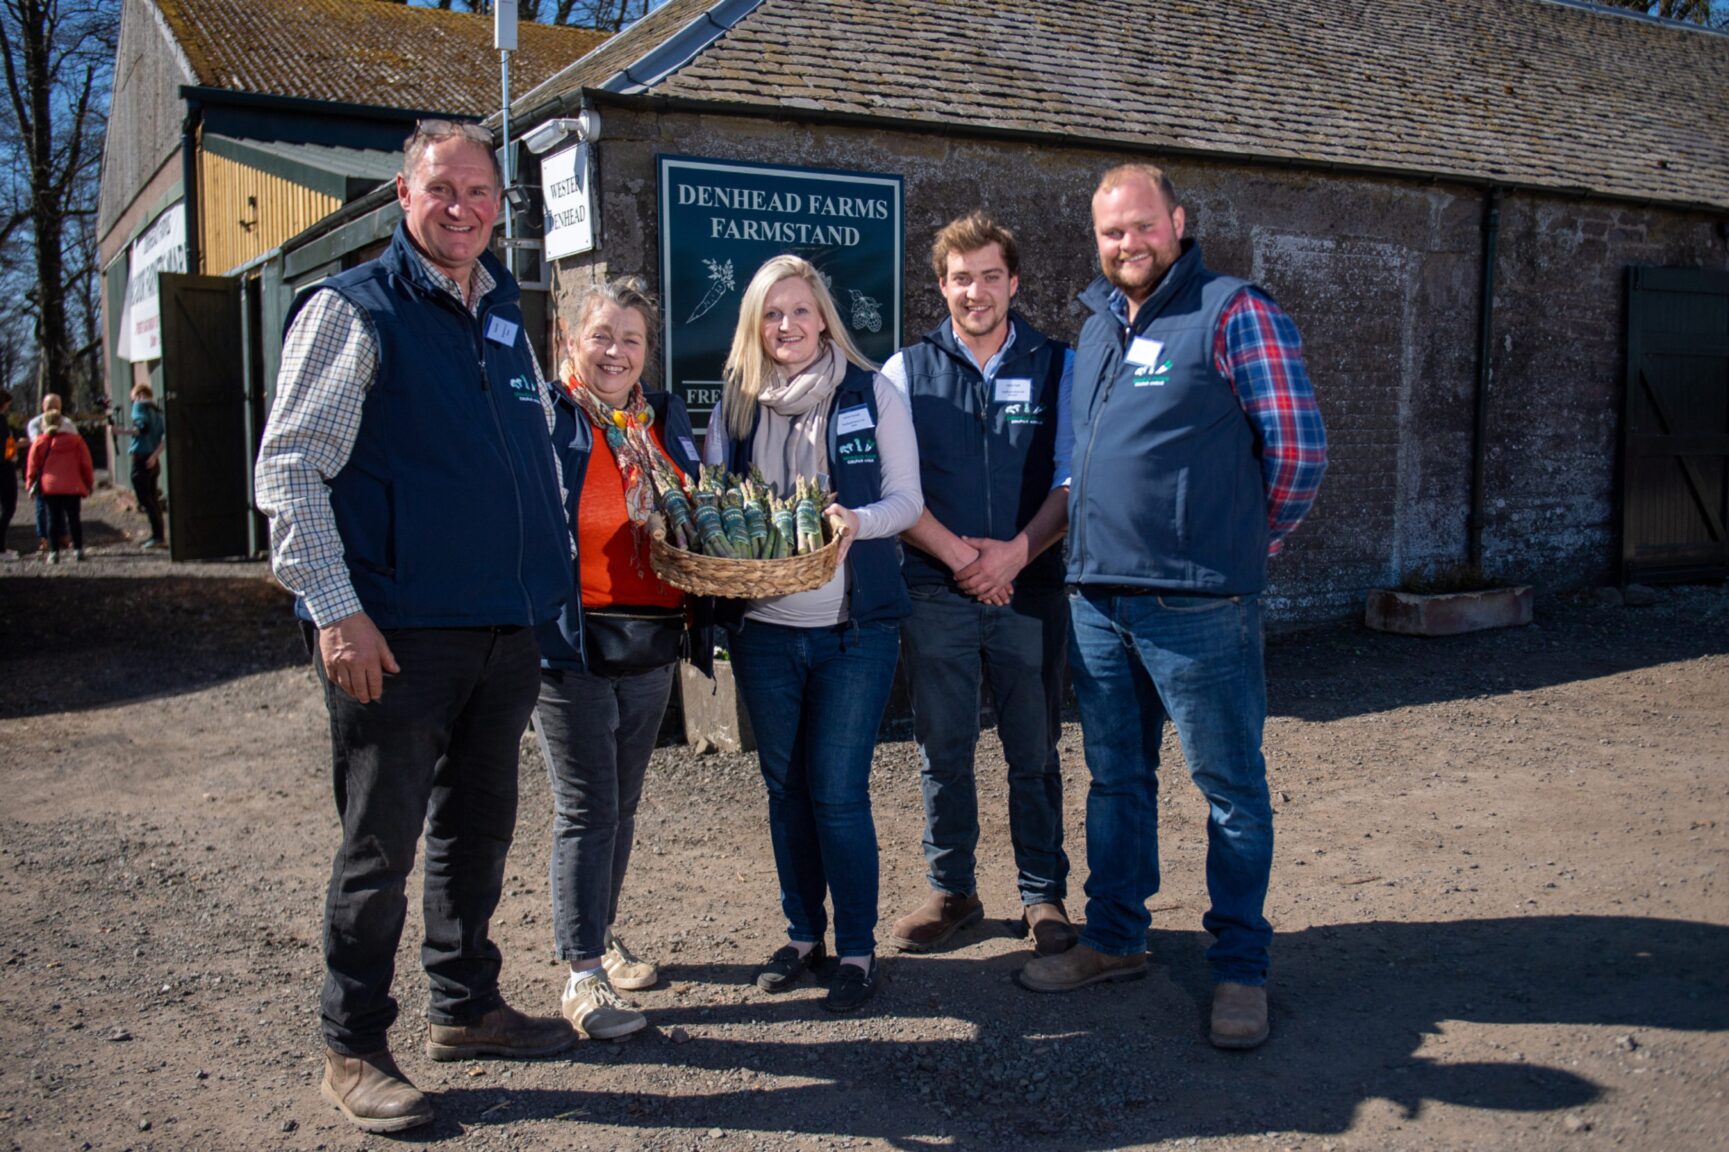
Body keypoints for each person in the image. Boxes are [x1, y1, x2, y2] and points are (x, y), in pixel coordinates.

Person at [254, 120, 576, 1134]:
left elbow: (530, 468)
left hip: (501, 628)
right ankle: (351, 1046)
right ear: (404, 194)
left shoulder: (504, 317)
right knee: (377, 848)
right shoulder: (355, 311)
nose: (464, 208)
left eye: (480, 191)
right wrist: (335, 611)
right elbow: (290, 469)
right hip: (394, 635)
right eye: (443, 189)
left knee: (477, 831)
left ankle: (465, 1003)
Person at [1017, 164, 1327, 1053]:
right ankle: (1115, 939)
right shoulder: (1098, 327)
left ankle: (1240, 968)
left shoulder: (1233, 313)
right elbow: (1085, 466)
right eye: (1111, 232)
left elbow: (1298, 454)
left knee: (1229, 790)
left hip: (1198, 606)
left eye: (1141, 226)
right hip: (1098, 600)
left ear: (1178, 222)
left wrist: (1240, 545)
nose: (1127, 244)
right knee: (1117, 780)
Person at [703, 254, 923, 1013]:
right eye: (771, 313)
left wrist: (854, 522)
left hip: (852, 632)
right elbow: (715, 506)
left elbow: (905, 501)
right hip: (765, 631)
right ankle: (803, 935)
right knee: (783, 789)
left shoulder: (872, 392)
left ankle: (856, 949)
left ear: (824, 317)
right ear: (753, 326)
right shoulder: (735, 403)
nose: (787, 326)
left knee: (835, 792)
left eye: (800, 310)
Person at [880, 213, 1077, 956]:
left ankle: (1041, 894)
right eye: (961, 278)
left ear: (1014, 281)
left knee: (1034, 748)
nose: (977, 291)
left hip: (1029, 589)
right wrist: (966, 561)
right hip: (936, 589)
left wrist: (1014, 557)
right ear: (942, 286)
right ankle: (952, 891)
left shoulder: (1058, 364)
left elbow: (1071, 478)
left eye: (991, 275)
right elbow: (894, 488)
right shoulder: (904, 372)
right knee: (944, 747)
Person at [533, 277, 709, 1042]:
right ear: (571, 339)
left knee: (624, 804)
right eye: (602, 335)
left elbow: (697, 502)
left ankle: (599, 934)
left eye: (631, 339)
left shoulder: (663, 418)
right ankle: (581, 975)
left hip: (649, 636)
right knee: (586, 808)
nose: (616, 351)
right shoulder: (546, 416)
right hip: (571, 642)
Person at [25, 408, 92, 563]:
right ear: (62, 422)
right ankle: (78, 550)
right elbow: (86, 463)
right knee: (74, 519)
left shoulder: (40, 442)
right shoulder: (76, 440)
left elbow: (32, 466)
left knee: (52, 520)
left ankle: (54, 553)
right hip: (72, 486)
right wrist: (88, 482)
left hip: (50, 486)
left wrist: (30, 485)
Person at [116, 382, 167, 549]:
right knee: (153, 498)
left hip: (140, 459)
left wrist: (120, 431)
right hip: (153, 460)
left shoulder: (139, 407)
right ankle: (159, 534)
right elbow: (165, 437)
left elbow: (141, 428)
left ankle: (157, 536)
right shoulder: (158, 412)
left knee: (145, 499)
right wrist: (154, 456)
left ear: (138, 395)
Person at [26, 393, 65, 555]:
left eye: (56, 406)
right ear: (43, 407)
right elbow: (37, 443)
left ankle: (62, 534)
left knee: (62, 505)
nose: (53, 410)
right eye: (50, 406)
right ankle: (44, 537)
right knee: (42, 506)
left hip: (63, 470)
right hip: (44, 471)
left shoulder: (66, 423)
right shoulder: (35, 423)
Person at [0, 388, 18, 556]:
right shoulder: (1, 421)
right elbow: (5, 447)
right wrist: (19, 445)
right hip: (4, 468)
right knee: (8, 506)